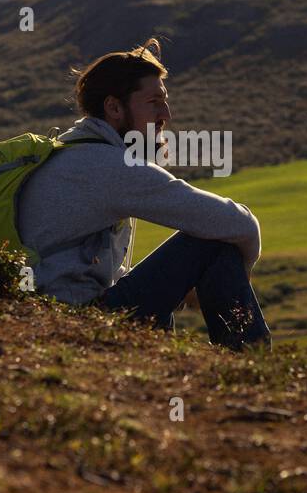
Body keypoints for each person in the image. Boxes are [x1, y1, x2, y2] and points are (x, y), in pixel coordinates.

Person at [16, 38, 270, 351]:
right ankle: (252, 359)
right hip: (74, 318)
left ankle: (213, 362)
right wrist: (239, 270)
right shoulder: (108, 164)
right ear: (114, 107)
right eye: (153, 102)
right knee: (212, 242)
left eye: (165, 100)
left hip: (52, 310)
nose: (166, 113)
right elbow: (237, 223)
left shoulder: (75, 153)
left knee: (190, 260)